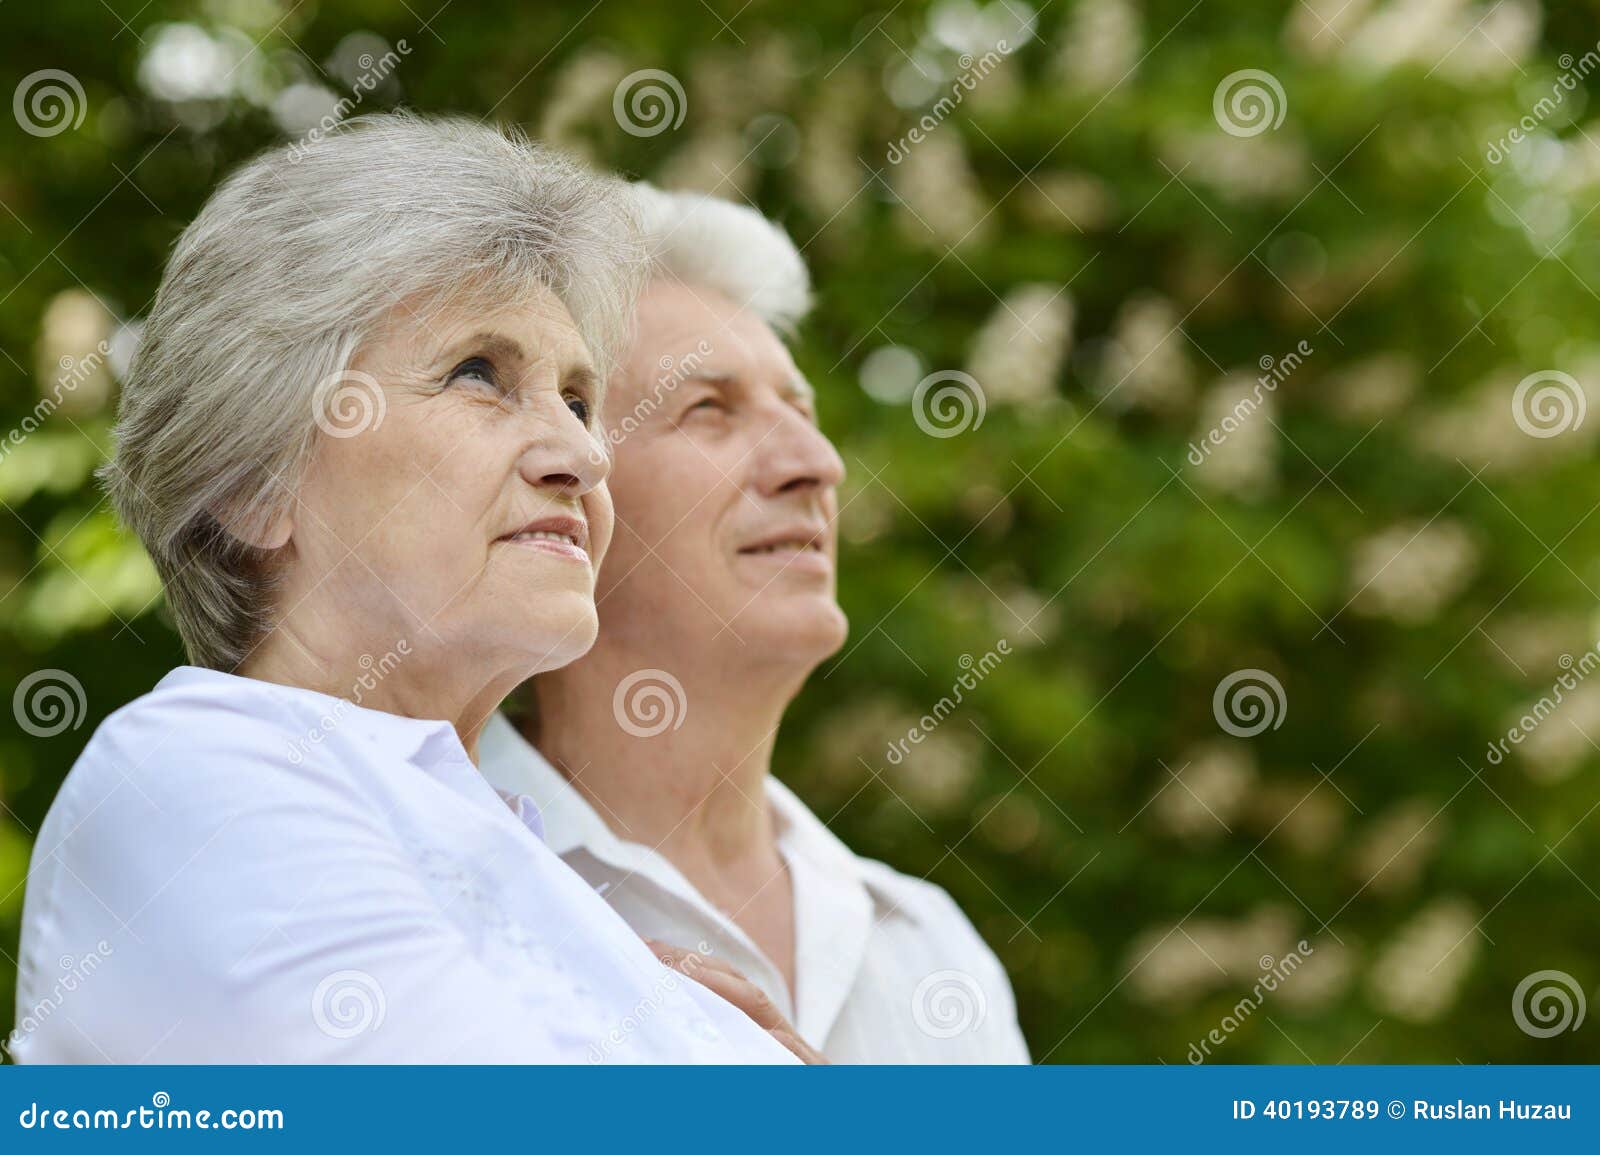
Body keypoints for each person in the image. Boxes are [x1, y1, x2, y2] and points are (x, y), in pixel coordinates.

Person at [9, 115, 814, 1064]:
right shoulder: (196, 774)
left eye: (580, 399)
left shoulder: (538, 891)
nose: (584, 455)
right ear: (255, 484)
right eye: (479, 373)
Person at [480, 186, 1030, 1062]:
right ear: (566, 484)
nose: (817, 464)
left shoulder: (930, 948)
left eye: (801, 413)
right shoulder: (428, 875)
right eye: (709, 410)